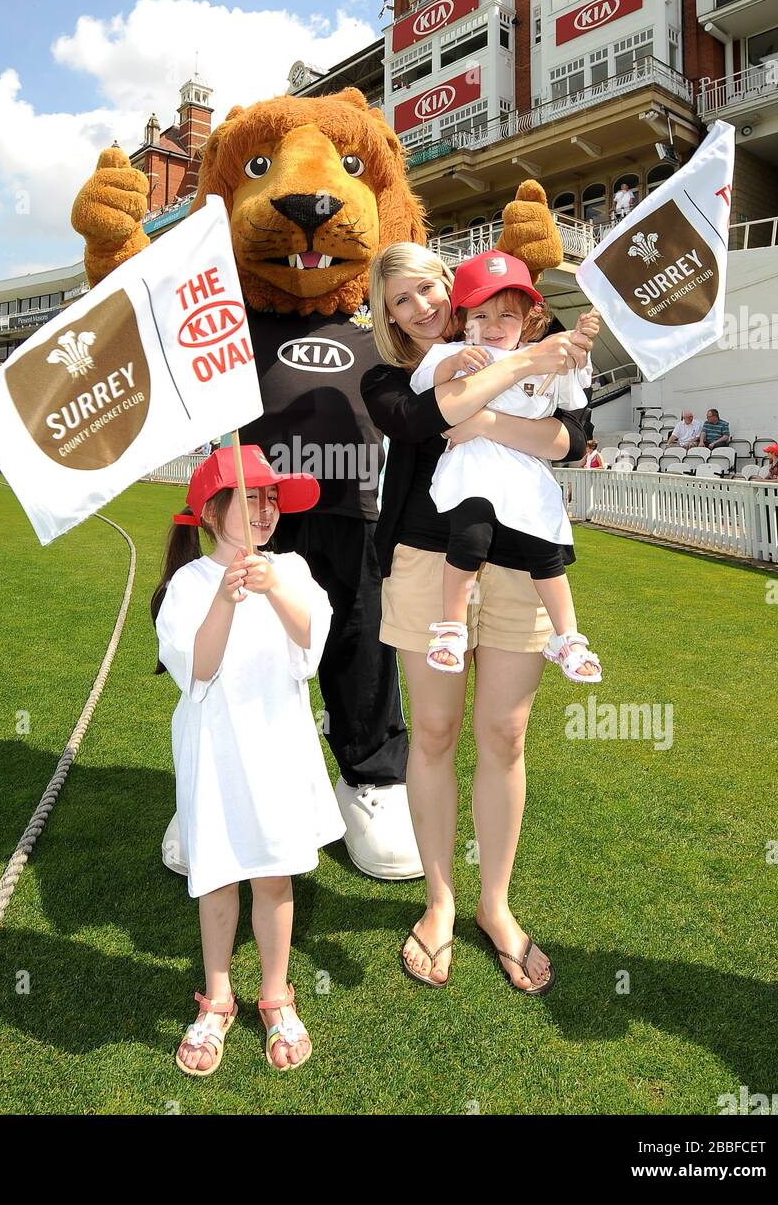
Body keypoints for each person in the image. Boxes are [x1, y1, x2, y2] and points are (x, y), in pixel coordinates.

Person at [361, 241, 595, 993]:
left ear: (452, 291)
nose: (420, 306)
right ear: (387, 315)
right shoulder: (390, 378)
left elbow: (569, 440)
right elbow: (428, 418)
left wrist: (494, 415)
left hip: (523, 560)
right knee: (432, 732)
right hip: (430, 564)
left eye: (429, 288)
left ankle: (493, 904)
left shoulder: (511, 348)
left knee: (504, 733)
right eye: (401, 300)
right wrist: (525, 366)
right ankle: (439, 900)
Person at [152, 445, 345, 1076]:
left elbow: (311, 644)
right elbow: (197, 669)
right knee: (216, 878)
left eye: (272, 499)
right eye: (252, 497)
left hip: (277, 753)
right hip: (215, 758)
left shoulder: (291, 567)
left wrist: (274, 591)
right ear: (212, 511)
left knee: (273, 876)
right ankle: (218, 996)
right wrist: (227, 601)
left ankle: (276, 995)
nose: (267, 510)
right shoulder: (189, 584)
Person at [408, 252, 602, 684]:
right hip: (473, 471)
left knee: (544, 553)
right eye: (481, 315)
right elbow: (422, 386)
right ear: (462, 319)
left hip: (524, 477)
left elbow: (574, 400)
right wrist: (453, 365)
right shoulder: (456, 353)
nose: (494, 327)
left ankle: (567, 636)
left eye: (507, 315)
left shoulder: (543, 356)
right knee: (470, 538)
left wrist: (579, 350)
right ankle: (452, 627)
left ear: (530, 318)